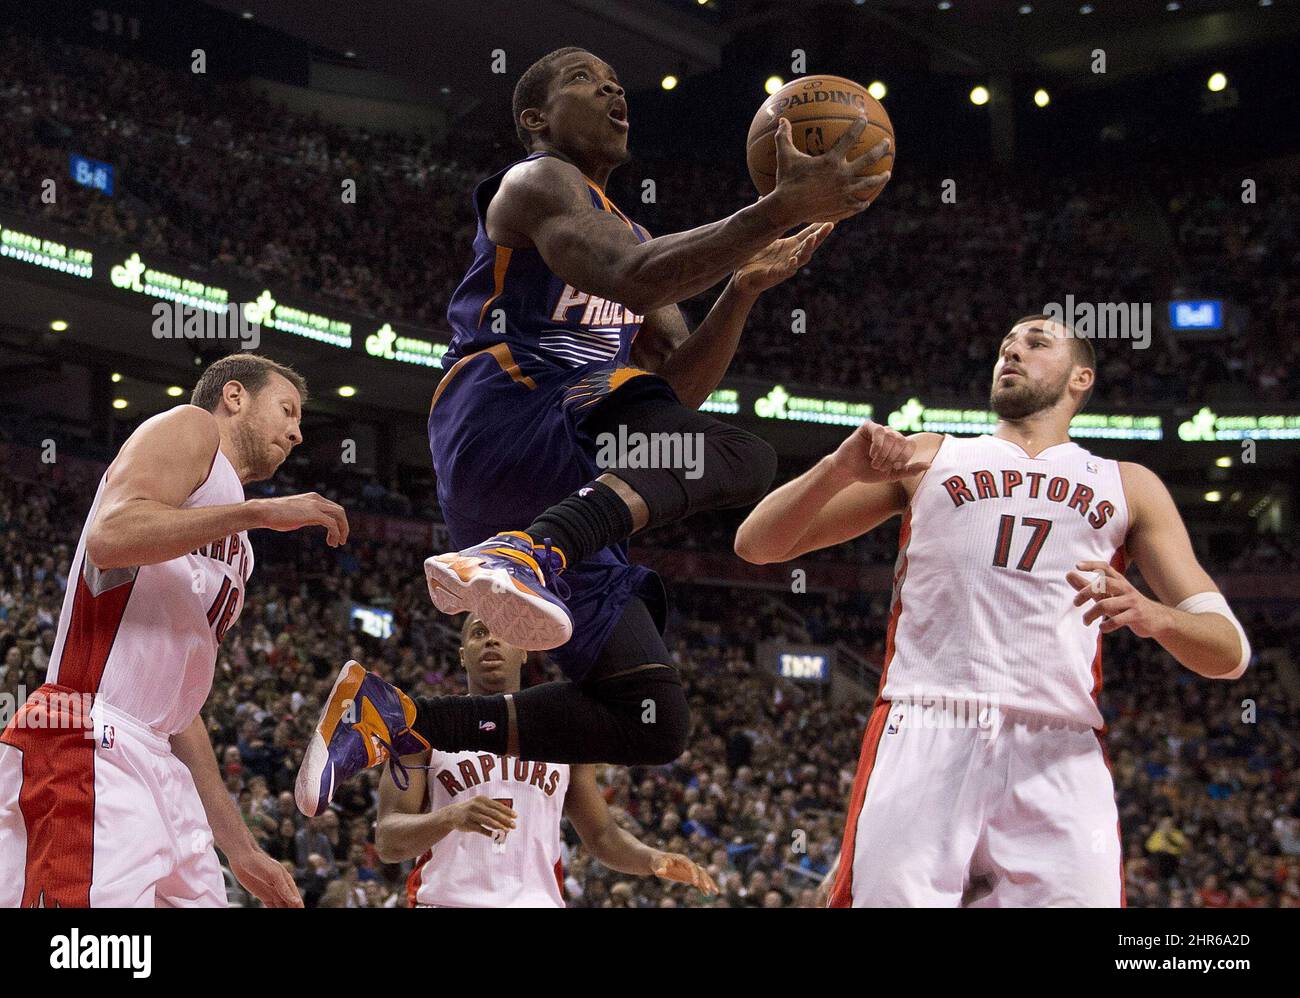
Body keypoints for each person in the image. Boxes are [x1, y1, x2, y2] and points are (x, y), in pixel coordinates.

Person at [295, 46, 891, 816]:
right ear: (534, 119)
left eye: (615, 79)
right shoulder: (537, 182)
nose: (611, 85)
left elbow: (674, 390)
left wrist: (740, 291)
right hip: (508, 407)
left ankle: (392, 716)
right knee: (745, 451)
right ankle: (529, 551)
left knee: (649, 717)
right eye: (583, 77)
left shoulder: (637, 233)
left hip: (565, 474)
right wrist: (771, 210)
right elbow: (634, 277)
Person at [734, 315, 1251, 907]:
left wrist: (1153, 615)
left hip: (1059, 742)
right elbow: (758, 545)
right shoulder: (930, 454)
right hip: (929, 719)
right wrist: (836, 469)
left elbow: (1228, 650)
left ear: (1082, 377)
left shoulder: (1128, 485)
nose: (1012, 353)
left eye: (1036, 343)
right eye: (1005, 346)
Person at [0, 354, 349, 907]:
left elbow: (180, 711)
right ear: (235, 397)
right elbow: (110, 536)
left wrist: (240, 847)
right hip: (90, 732)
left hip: (159, 760)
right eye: (287, 411)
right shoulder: (192, 428)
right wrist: (258, 513)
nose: (298, 432)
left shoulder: (241, 552)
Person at [376, 613, 716, 907]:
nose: (491, 640)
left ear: (523, 650)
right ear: (463, 655)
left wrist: (651, 858)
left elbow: (602, 836)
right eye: (479, 632)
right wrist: (450, 816)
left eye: (502, 632)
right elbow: (388, 841)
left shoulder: (565, 730)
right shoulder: (422, 729)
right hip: (446, 901)